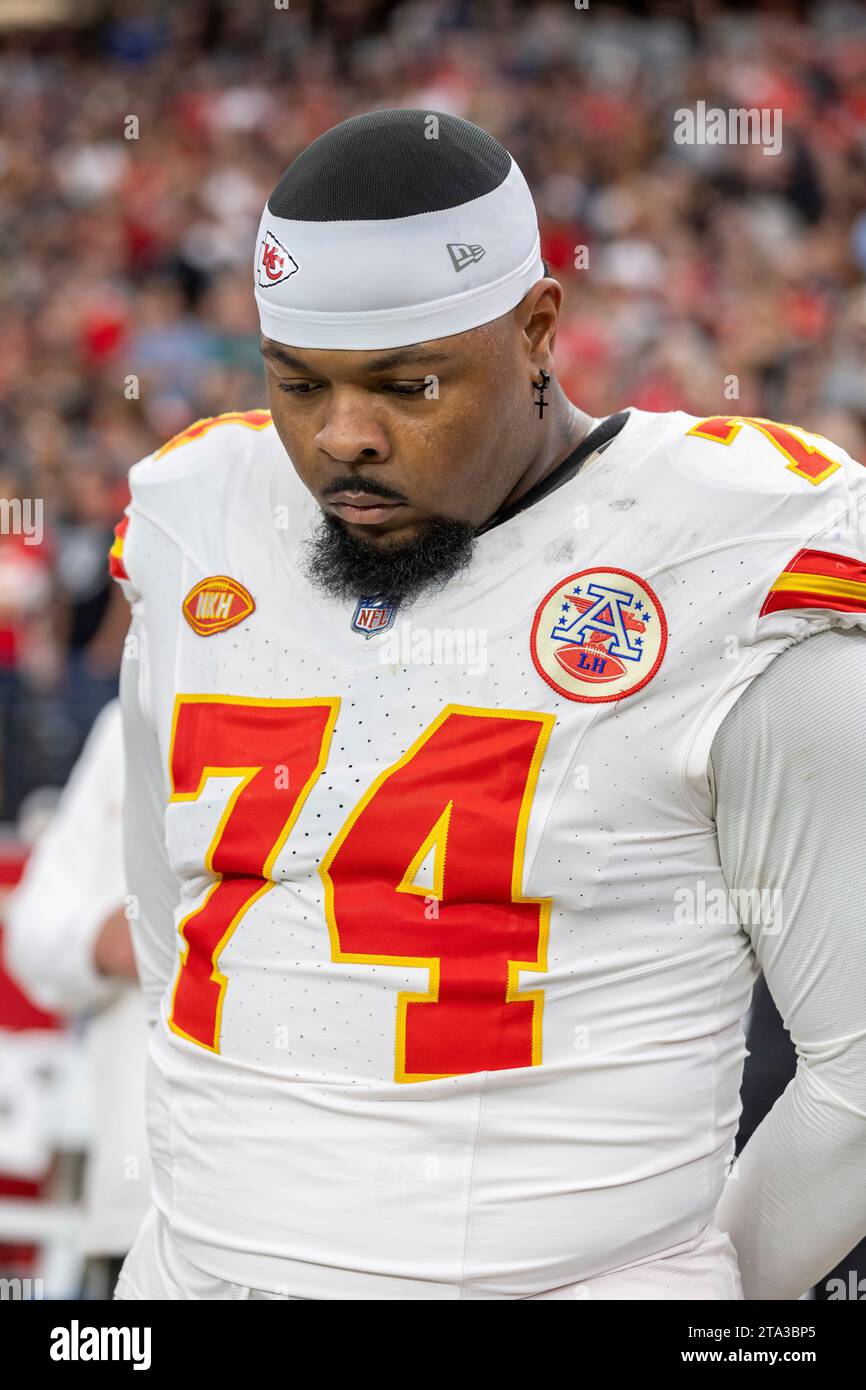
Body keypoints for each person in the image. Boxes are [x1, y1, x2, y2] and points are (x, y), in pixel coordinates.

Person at [110, 109, 866, 1301]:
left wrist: (668, 1280)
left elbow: (857, 1071)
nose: (342, 439)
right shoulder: (195, 512)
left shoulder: (724, 554)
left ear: (535, 330)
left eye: (408, 384)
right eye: (297, 383)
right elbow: (174, 949)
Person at [4, 699, 151, 1293]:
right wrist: (103, 939)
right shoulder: (133, 719)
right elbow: (31, 932)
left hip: (302, 1219)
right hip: (136, 1210)